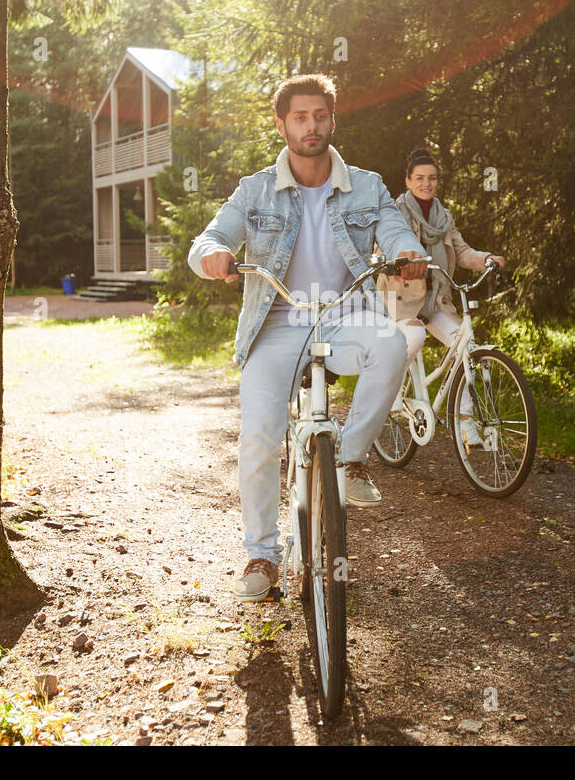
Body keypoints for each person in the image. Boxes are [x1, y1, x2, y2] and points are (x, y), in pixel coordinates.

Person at [189, 74, 427, 601]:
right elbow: (209, 237)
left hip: (345, 314)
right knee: (258, 436)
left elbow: (394, 230)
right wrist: (212, 256)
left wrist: (408, 253)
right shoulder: (254, 190)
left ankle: (350, 459)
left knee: (391, 342)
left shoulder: (365, 185)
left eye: (319, 115)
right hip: (276, 322)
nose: (311, 125)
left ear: (332, 120)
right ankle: (261, 554)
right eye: (299, 117)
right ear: (282, 124)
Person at [376, 148, 505, 446]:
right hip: (401, 300)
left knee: (465, 347)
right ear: (408, 181)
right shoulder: (395, 214)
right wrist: (397, 262)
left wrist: (486, 258)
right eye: (419, 178)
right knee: (414, 337)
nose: (426, 184)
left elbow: (460, 252)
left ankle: (465, 422)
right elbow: (383, 246)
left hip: (436, 301)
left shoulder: (444, 218)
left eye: (432, 178)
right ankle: (389, 389)